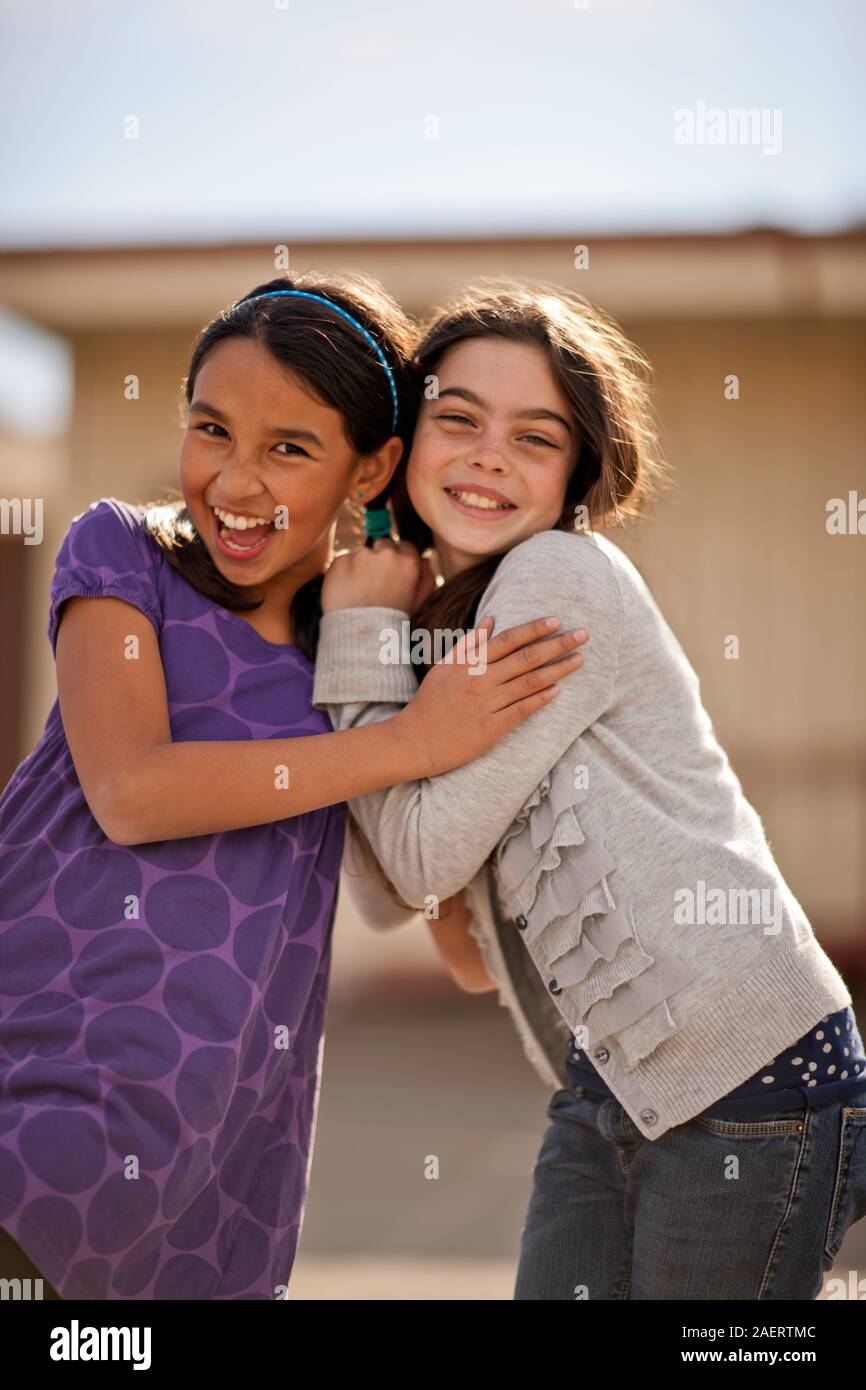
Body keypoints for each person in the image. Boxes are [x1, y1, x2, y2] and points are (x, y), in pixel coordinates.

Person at [0, 271, 586, 1300]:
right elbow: (130, 788)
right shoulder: (124, 556)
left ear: (373, 468)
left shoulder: (365, 663)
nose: (233, 481)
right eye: (211, 428)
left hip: (215, 1178)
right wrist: (411, 739)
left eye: (288, 448)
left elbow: (456, 946)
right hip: (32, 1108)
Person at [312, 279, 866, 1300]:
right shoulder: (434, 626)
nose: (487, 456)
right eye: (458, 420)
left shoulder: (557, 580)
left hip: (751, 1074)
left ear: (575, 471)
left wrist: (352, 650)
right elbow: (392, 900)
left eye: (534, 436)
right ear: (400, 447)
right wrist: (383, 654)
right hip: (608, 1084)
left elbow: (418, 859)